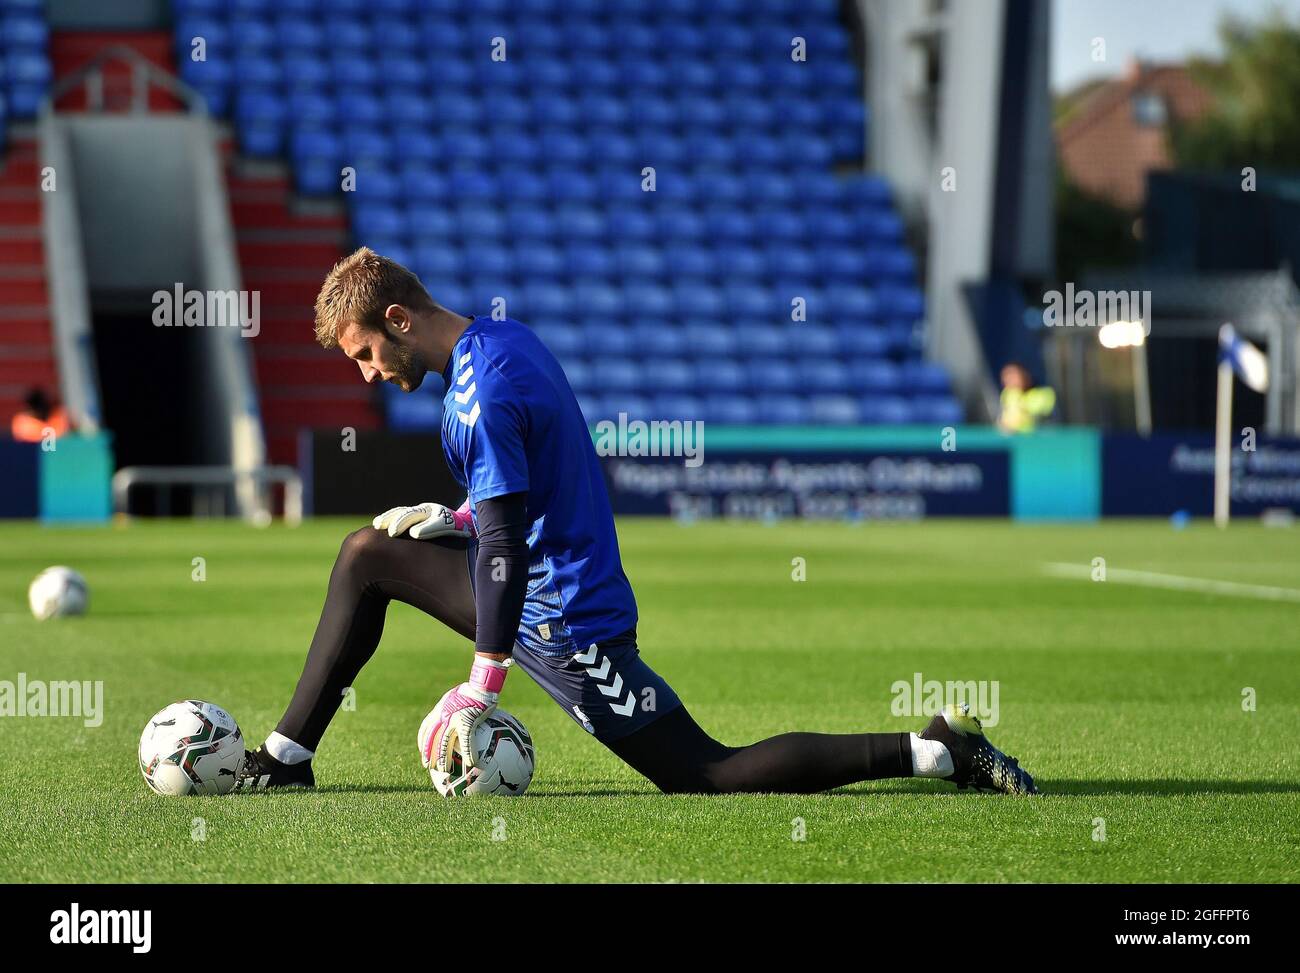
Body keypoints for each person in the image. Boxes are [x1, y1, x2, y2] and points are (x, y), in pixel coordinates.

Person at [234, 248, 1036, 795]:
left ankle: (936, 749)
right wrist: (458, 515)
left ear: (400, 319)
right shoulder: (499, 342)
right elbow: (520, 492)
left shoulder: (477, 394)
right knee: (368, 552)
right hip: (538, 590)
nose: (371, 373)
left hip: (569, 621)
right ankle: (288, 755)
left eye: (367, 352)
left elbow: (508, 545)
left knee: (704, 772)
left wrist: (482, 684)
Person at [997, 362, 1056, 434]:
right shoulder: (1007, 395)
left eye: (1013, 376)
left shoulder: (1044, 394)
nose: (1009, 380)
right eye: (1006, 377)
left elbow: (1036, 419)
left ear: (1024, 375)